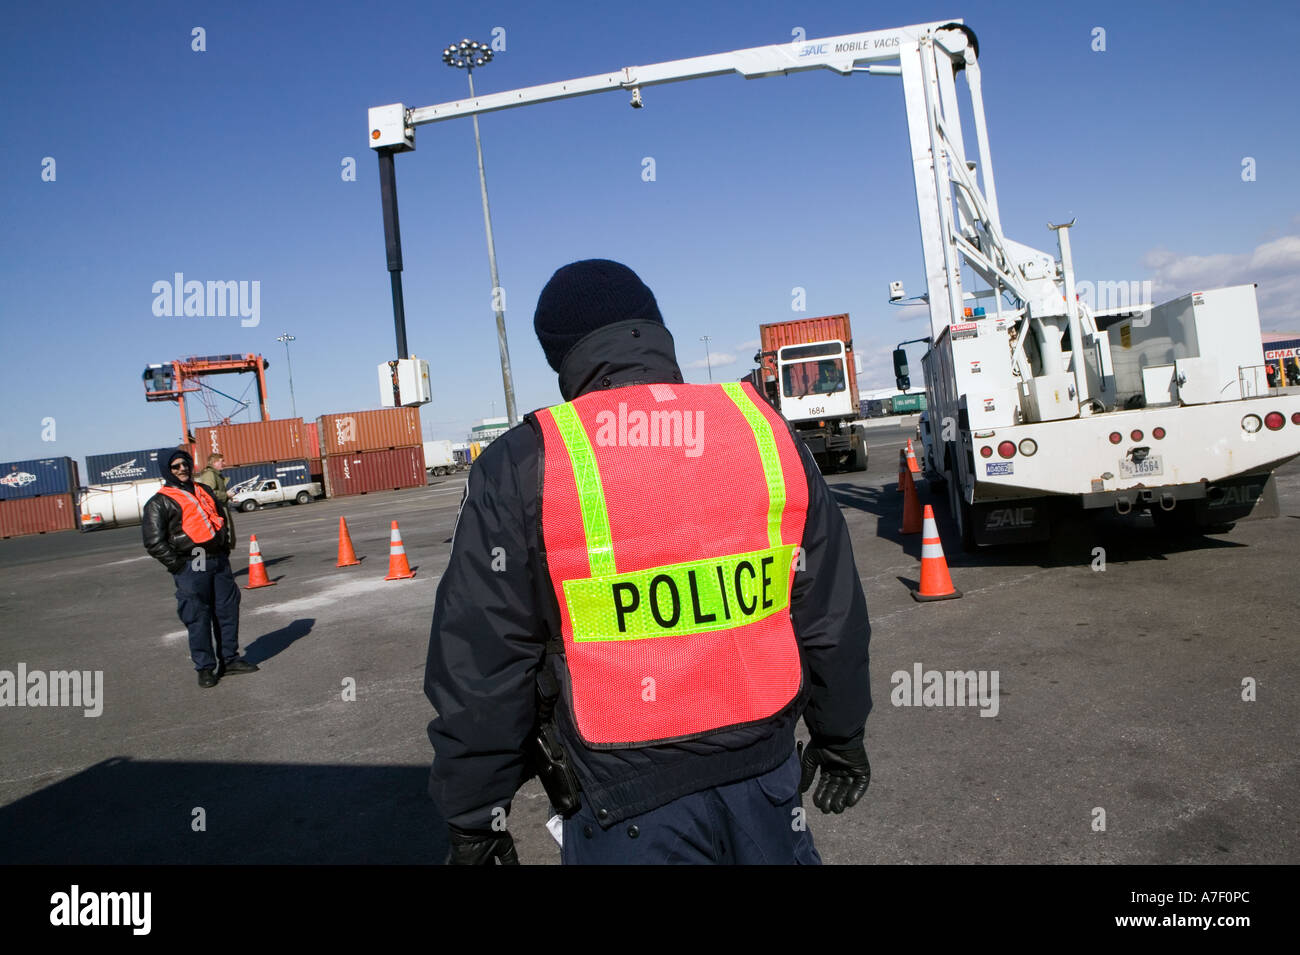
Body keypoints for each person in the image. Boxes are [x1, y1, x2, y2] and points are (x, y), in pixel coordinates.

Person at [424, 260, 871, 865]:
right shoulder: (763, 430)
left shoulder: (528, 459)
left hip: (624, 807)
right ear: (656, 326)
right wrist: (840, 733)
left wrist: (477, 815)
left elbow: (485, 656)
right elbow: (828, 608)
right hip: (766, 782)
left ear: (561, 358)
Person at [143, 449, 259, 688]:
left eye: (184, 464)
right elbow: (154, 542)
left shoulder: (203, 490)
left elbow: (219, 516)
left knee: (227, 611)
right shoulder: (158, 502)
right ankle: (205, 667)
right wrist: (177, 566)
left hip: (218, 559)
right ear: (167, 470)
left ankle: (229, 660)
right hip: (191, 561)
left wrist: (225, 545)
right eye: (175, 467)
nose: (182, 469)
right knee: (197, 615)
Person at [194, 452, 234, 538]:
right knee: (223, 536)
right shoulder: (210, 474)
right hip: (216, 511)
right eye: (222, 461)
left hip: (219, 509)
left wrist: (228, 497)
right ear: (214, 462)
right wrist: (226, 495)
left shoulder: (215, 474)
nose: (224, 463)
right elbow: (208, 493)